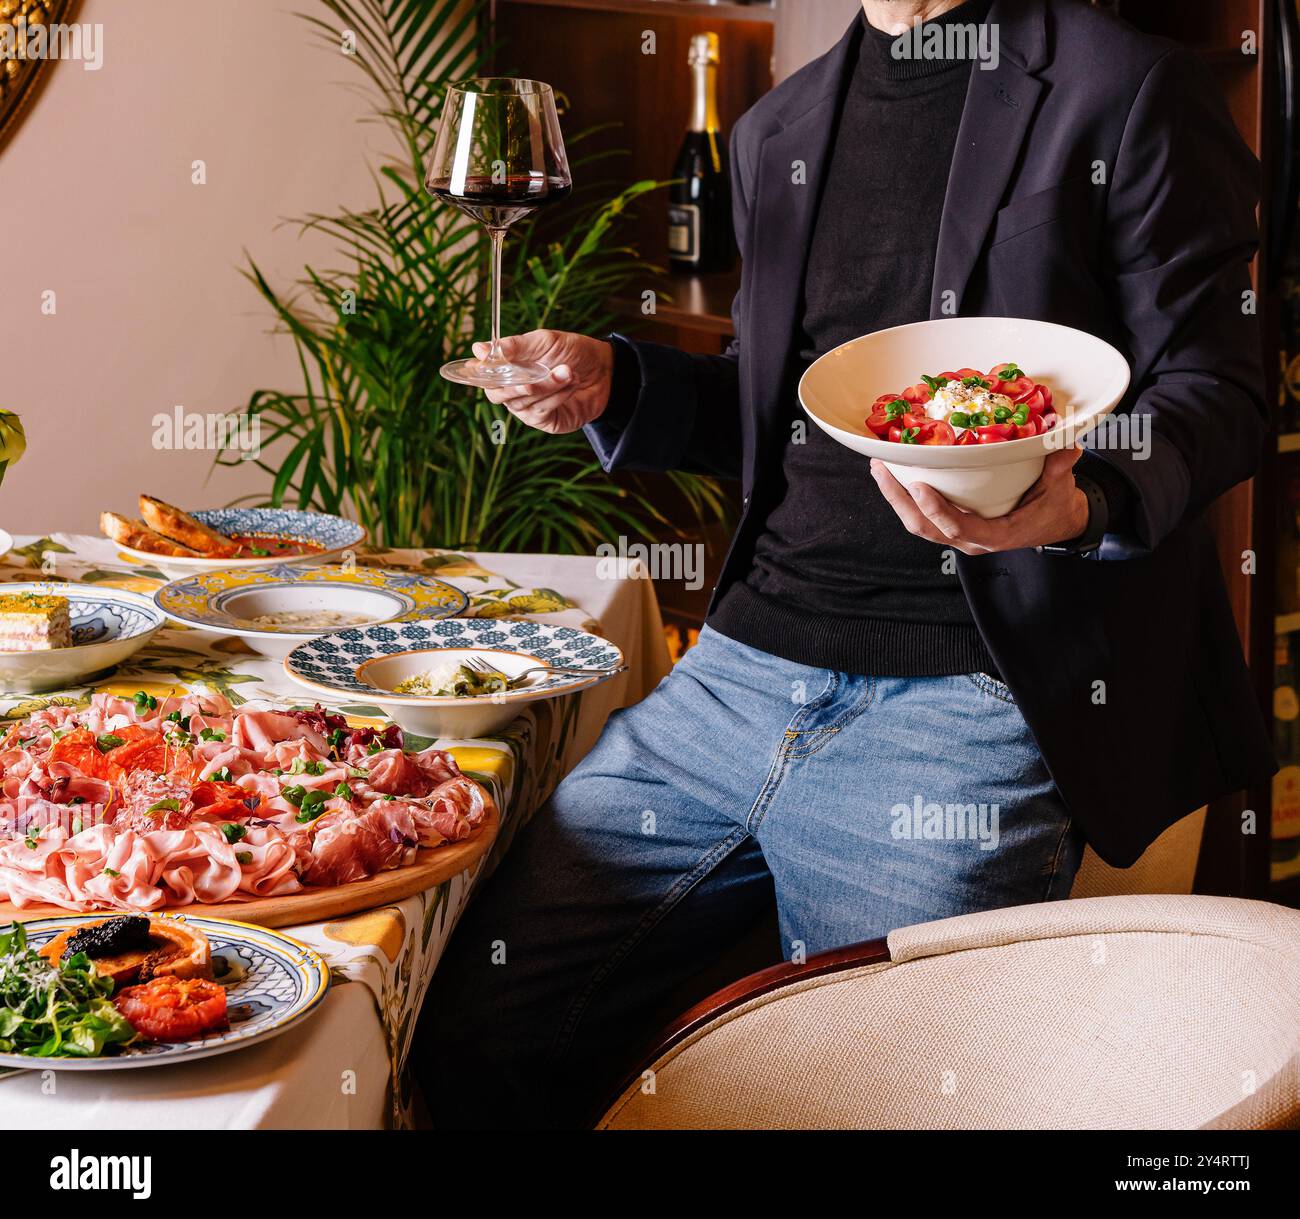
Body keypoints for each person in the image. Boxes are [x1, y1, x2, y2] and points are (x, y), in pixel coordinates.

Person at [414, 0, 1273, 1128]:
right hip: (735, 677)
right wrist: (616, 386)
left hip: (971, 694)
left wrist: (1081, 495)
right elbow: (792, 415)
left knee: (895, 1099)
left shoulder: (1127, 88)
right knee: (478, 1024)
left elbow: (1222, 389)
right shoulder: (780, 127)